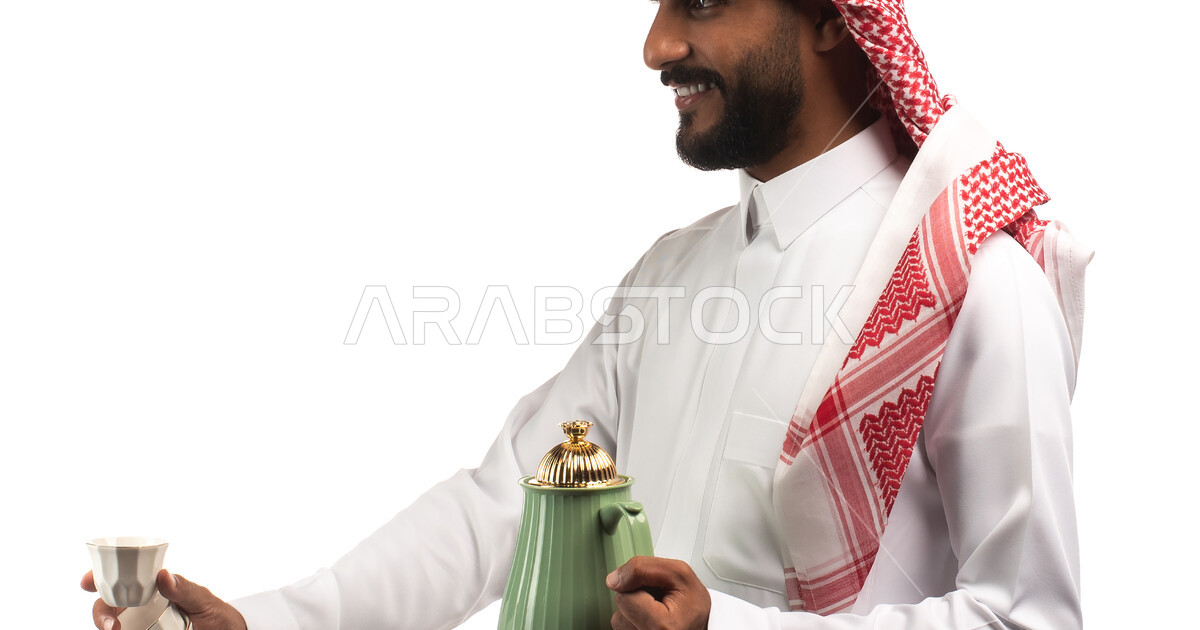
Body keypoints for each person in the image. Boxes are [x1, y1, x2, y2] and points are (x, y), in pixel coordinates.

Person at [84, 0, 1091, 628]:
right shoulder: (671, 274)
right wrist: (271, 627)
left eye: (699, 0)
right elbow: (504, 513)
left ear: (833, 15)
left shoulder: (975, 284)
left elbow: (1027, 618)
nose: (657, 42)